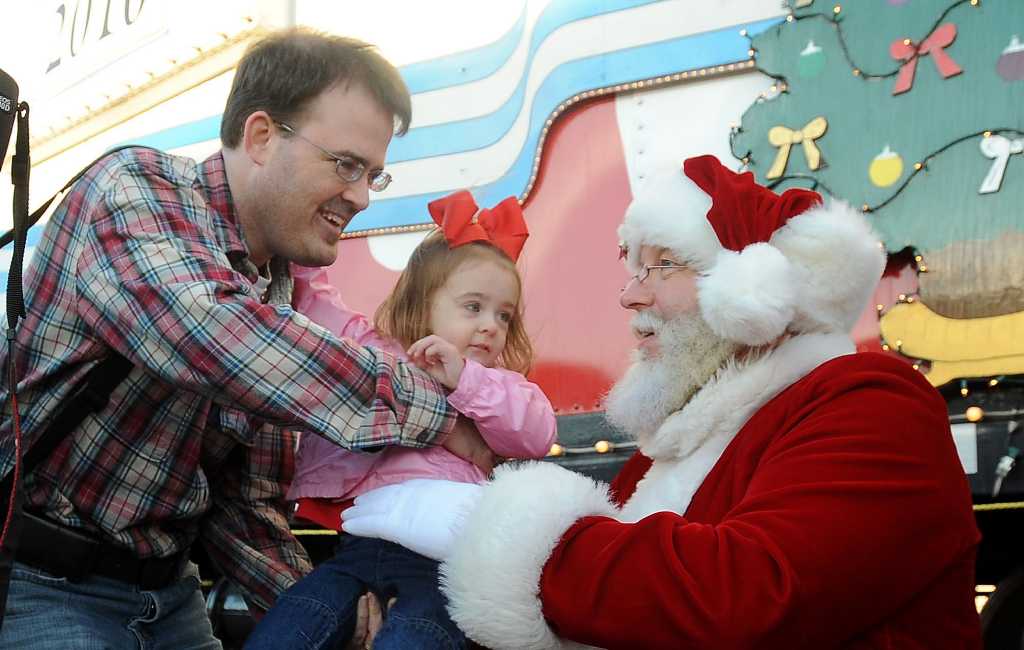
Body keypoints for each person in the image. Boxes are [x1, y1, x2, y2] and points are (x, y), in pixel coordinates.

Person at [341, 155, 983, 649]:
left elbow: (745, 599)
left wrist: (494, 530)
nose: (629, 297)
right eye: (632, 267)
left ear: (747, 287)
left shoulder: (872, 407)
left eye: (663, 265)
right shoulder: (680, 442)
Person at [0, 28, 491, 649]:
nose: (362, 197)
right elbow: (216, 338)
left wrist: (322, 611)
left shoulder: (277, 290)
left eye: (374, 176)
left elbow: (242, 504)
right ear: (261, 136)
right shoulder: (132, 189)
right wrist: (444, 418)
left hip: (169, 596)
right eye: (346, 165)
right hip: (39, 583)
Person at [245, 190, 557, 649]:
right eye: (473, 307)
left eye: (504, 315)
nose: (491, 325)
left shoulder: (498, 384)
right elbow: (316, 305)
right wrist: (301, 242)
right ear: (422, 302)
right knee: (288, 629)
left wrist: (466, 380)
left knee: (415, 638)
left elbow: (537, 433)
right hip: (356, 549)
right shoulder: (375, 350)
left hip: (439, 564)